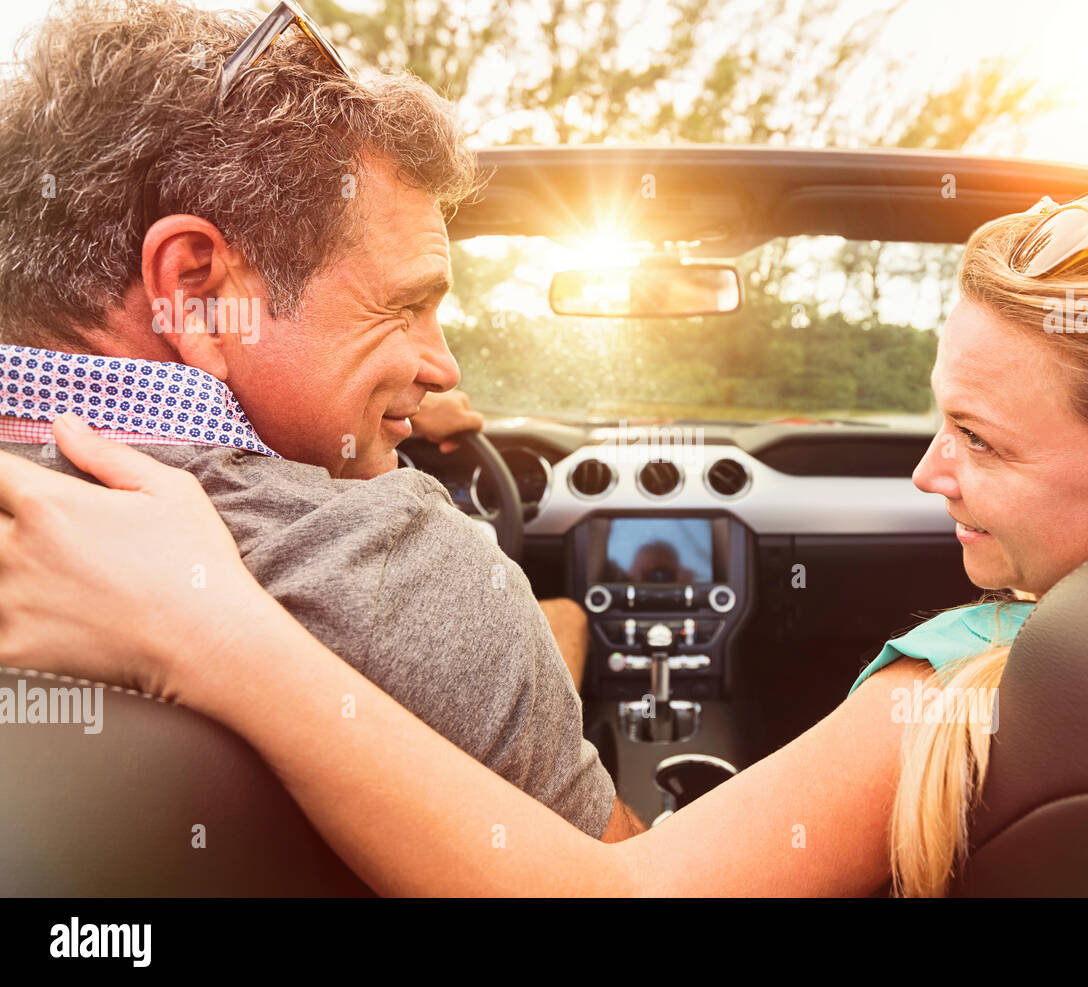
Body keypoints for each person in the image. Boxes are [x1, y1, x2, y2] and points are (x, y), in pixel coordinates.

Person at [3, 177, 1088, 895]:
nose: (925, 468)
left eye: (985, 439)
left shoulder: (985, 668)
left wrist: (211, 632)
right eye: (933, 411)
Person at [0, 0, 637, 841]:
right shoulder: (393, 568)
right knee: (566, 618)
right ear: (194, 289)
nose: (442, 365)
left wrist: (369, 401)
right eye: (405, 305)